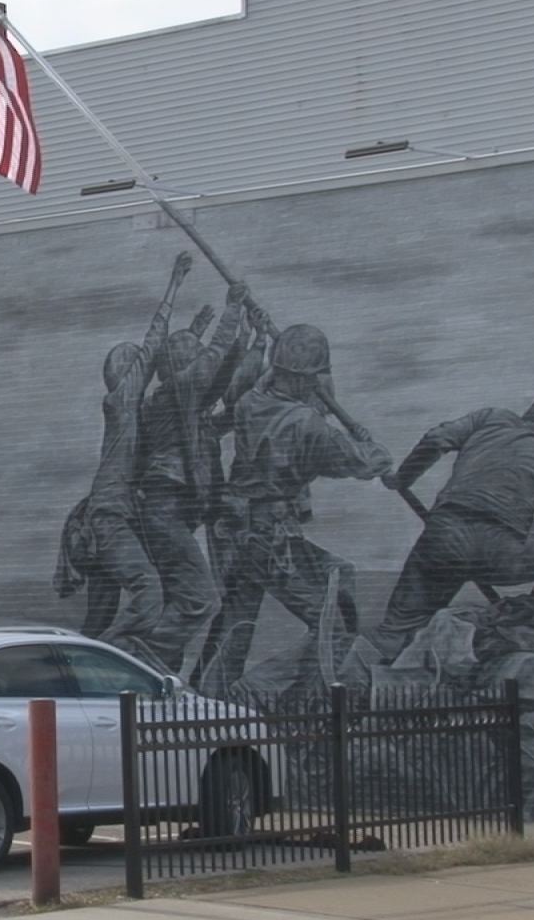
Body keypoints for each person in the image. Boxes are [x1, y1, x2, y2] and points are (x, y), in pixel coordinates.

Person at [342, 391, 534, 683]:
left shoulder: (491, 418)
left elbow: (435, 439)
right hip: (503, 555)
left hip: (444, 537)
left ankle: (348, 685)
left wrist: (402, 479)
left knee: (396, 629)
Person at [208, 324, 393, 699]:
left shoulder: (251, 402)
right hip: (270, 536)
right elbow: (359, 463)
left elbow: (272, 389)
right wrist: (374, 447)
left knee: (237, 622)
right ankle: (280, 694)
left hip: (236, 531)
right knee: (336, 621)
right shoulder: (306, 424)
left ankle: (210, 698)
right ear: (308, 377)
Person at [130, 277, 263, 677]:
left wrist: (253, 343)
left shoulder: (185, 405)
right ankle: (140, 660)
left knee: (179, 599)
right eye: (193, 354)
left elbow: (218, 382)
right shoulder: (174, 392)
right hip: (165, 512)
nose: (201, 360)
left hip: (172, 514)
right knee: (202, 600)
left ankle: (161, 682)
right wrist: (234, 308)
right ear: (181, 367)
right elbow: (215, 361)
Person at [56, 251, 188, 654]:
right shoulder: (122, 400)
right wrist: (174, 285)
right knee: (149, 590)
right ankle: (110, 656)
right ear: (127, 373)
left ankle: (72, 664)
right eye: (137, 366)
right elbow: (153, 345)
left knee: (100, 612)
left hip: (107, 517)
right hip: (110, 518)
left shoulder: (132, 410)